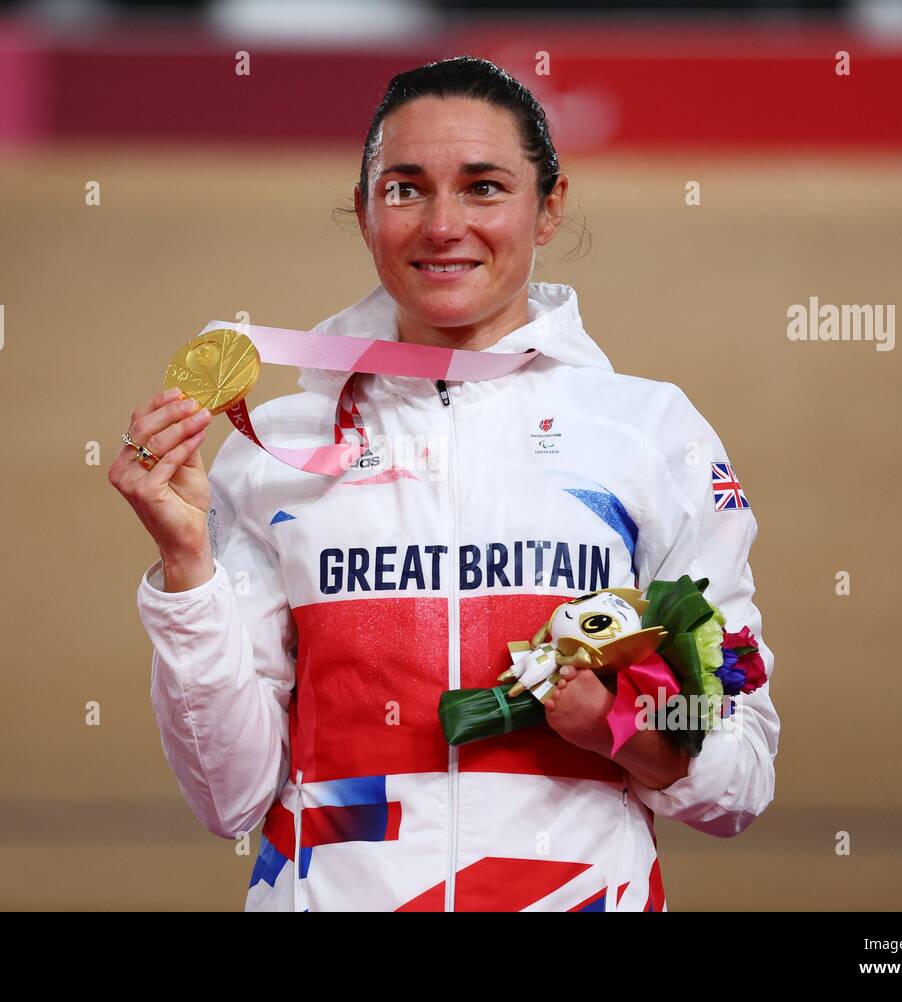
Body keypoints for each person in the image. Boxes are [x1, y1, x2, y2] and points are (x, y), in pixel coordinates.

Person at [108, 56, 779, 912]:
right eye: (405, 189)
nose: (442, 225)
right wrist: (186, 567)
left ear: (550, 207)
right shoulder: (270, 449)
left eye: (485, 187)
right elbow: (228, 797)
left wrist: (626, 726)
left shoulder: (649, 435)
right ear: (362, 211)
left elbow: (742, 768)